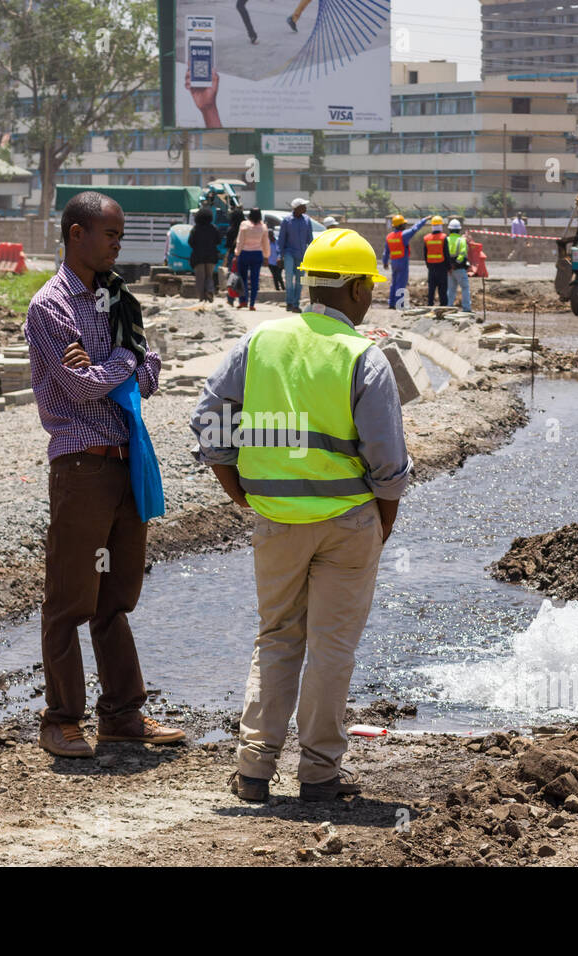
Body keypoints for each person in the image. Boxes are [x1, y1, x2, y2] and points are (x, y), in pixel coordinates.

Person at [190, 228, 412, 802]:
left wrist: (239, 491)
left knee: (277, 639)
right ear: (360, 289)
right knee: (331, 648)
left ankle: (254, 770)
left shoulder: (259, 342)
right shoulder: (364, 356)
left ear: (309, 282)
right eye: (371, 287)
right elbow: (388, 462)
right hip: (348, 522)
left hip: (276, 521)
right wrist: (382, 524)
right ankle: (318, 774)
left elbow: (209, 421)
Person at [24, 190, 185, 758]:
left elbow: (152, 372)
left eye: (118, 234)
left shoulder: (116, 298)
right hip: (82, 466)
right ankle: (61, 719)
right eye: (110, 234)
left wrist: (118, 367)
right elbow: (81, 387)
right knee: (69, 599)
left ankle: (121, 715)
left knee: (117, 596)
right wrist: (126, 365)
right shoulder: (50, 307)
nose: (118, 243)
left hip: (125, 461)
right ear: (76, 235)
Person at [382, 212, 430, 309]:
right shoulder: (403, 235)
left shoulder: (389, 236)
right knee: (401, 284)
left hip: (394, 263)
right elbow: (415, 228)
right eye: (403, 224)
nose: (405, 225)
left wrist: (385, 262)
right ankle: (400, 304)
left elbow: (386, 251)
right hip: (402, 262)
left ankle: (391, 303)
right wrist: (424, 220)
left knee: (394, 283)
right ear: (400, 225)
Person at [277, 197, 313, 312]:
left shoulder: (307, 220)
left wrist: (311, 253)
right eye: (303, 206)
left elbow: (310, 239)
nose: (305, 208)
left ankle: (296, 304)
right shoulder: (287, 221)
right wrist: (279, 255)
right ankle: (289, 302)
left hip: (302, 254)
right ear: (297, 208)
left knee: (300, 280)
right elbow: (281, 239)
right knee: (288, 277)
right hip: (289, 253)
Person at [235, 207, 271, 310]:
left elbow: (240, 241)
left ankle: (243, 301)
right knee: (255, 280)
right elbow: (266, 243)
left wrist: (237, 253)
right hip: (257, 254)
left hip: (244, 254)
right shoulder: (263, 227)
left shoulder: (244, 225)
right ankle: (252, 304)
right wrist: (266, 256)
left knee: (243, 278)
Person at [189, 206, 221, 303]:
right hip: (211, 256)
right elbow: (218, 241)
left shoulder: (195, 229)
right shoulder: (214, 228)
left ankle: (202, 298)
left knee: (200, 278)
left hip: (198, 257)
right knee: (209, 276)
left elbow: (190, 242)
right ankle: (210, 291)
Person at [423, 215, 449, 306]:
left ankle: (430, 304)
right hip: (442, 266)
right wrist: (448, 267)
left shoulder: (426, 238)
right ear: (441, 226)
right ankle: (443, 306)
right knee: (442, 288)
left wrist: (428, 265)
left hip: (431, 266)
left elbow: (425, 254)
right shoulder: (444, 237)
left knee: (431, 288)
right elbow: (446, 254)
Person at [445, 218, 471, 308]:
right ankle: (466, 308)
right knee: (465, 288)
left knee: (451, 289)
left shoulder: (446, 239)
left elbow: (444, 254)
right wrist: (455, 264)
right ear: (459, 229)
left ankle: (449, 307)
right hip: (459, 268)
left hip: (449, 269)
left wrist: (449, 266)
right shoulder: (461, 240)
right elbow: (463, 254)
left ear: (449, 229)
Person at [267, 221, 285, 292]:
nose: (270, 236)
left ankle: (283, 287)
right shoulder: (267, 242)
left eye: (271, 234)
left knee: (278, 275)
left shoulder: (277, 241)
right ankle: (277, 288)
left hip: (278, 261)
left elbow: (280, 250)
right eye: (269, 235)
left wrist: (280, 258)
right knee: (274, 275)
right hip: (270, 262)